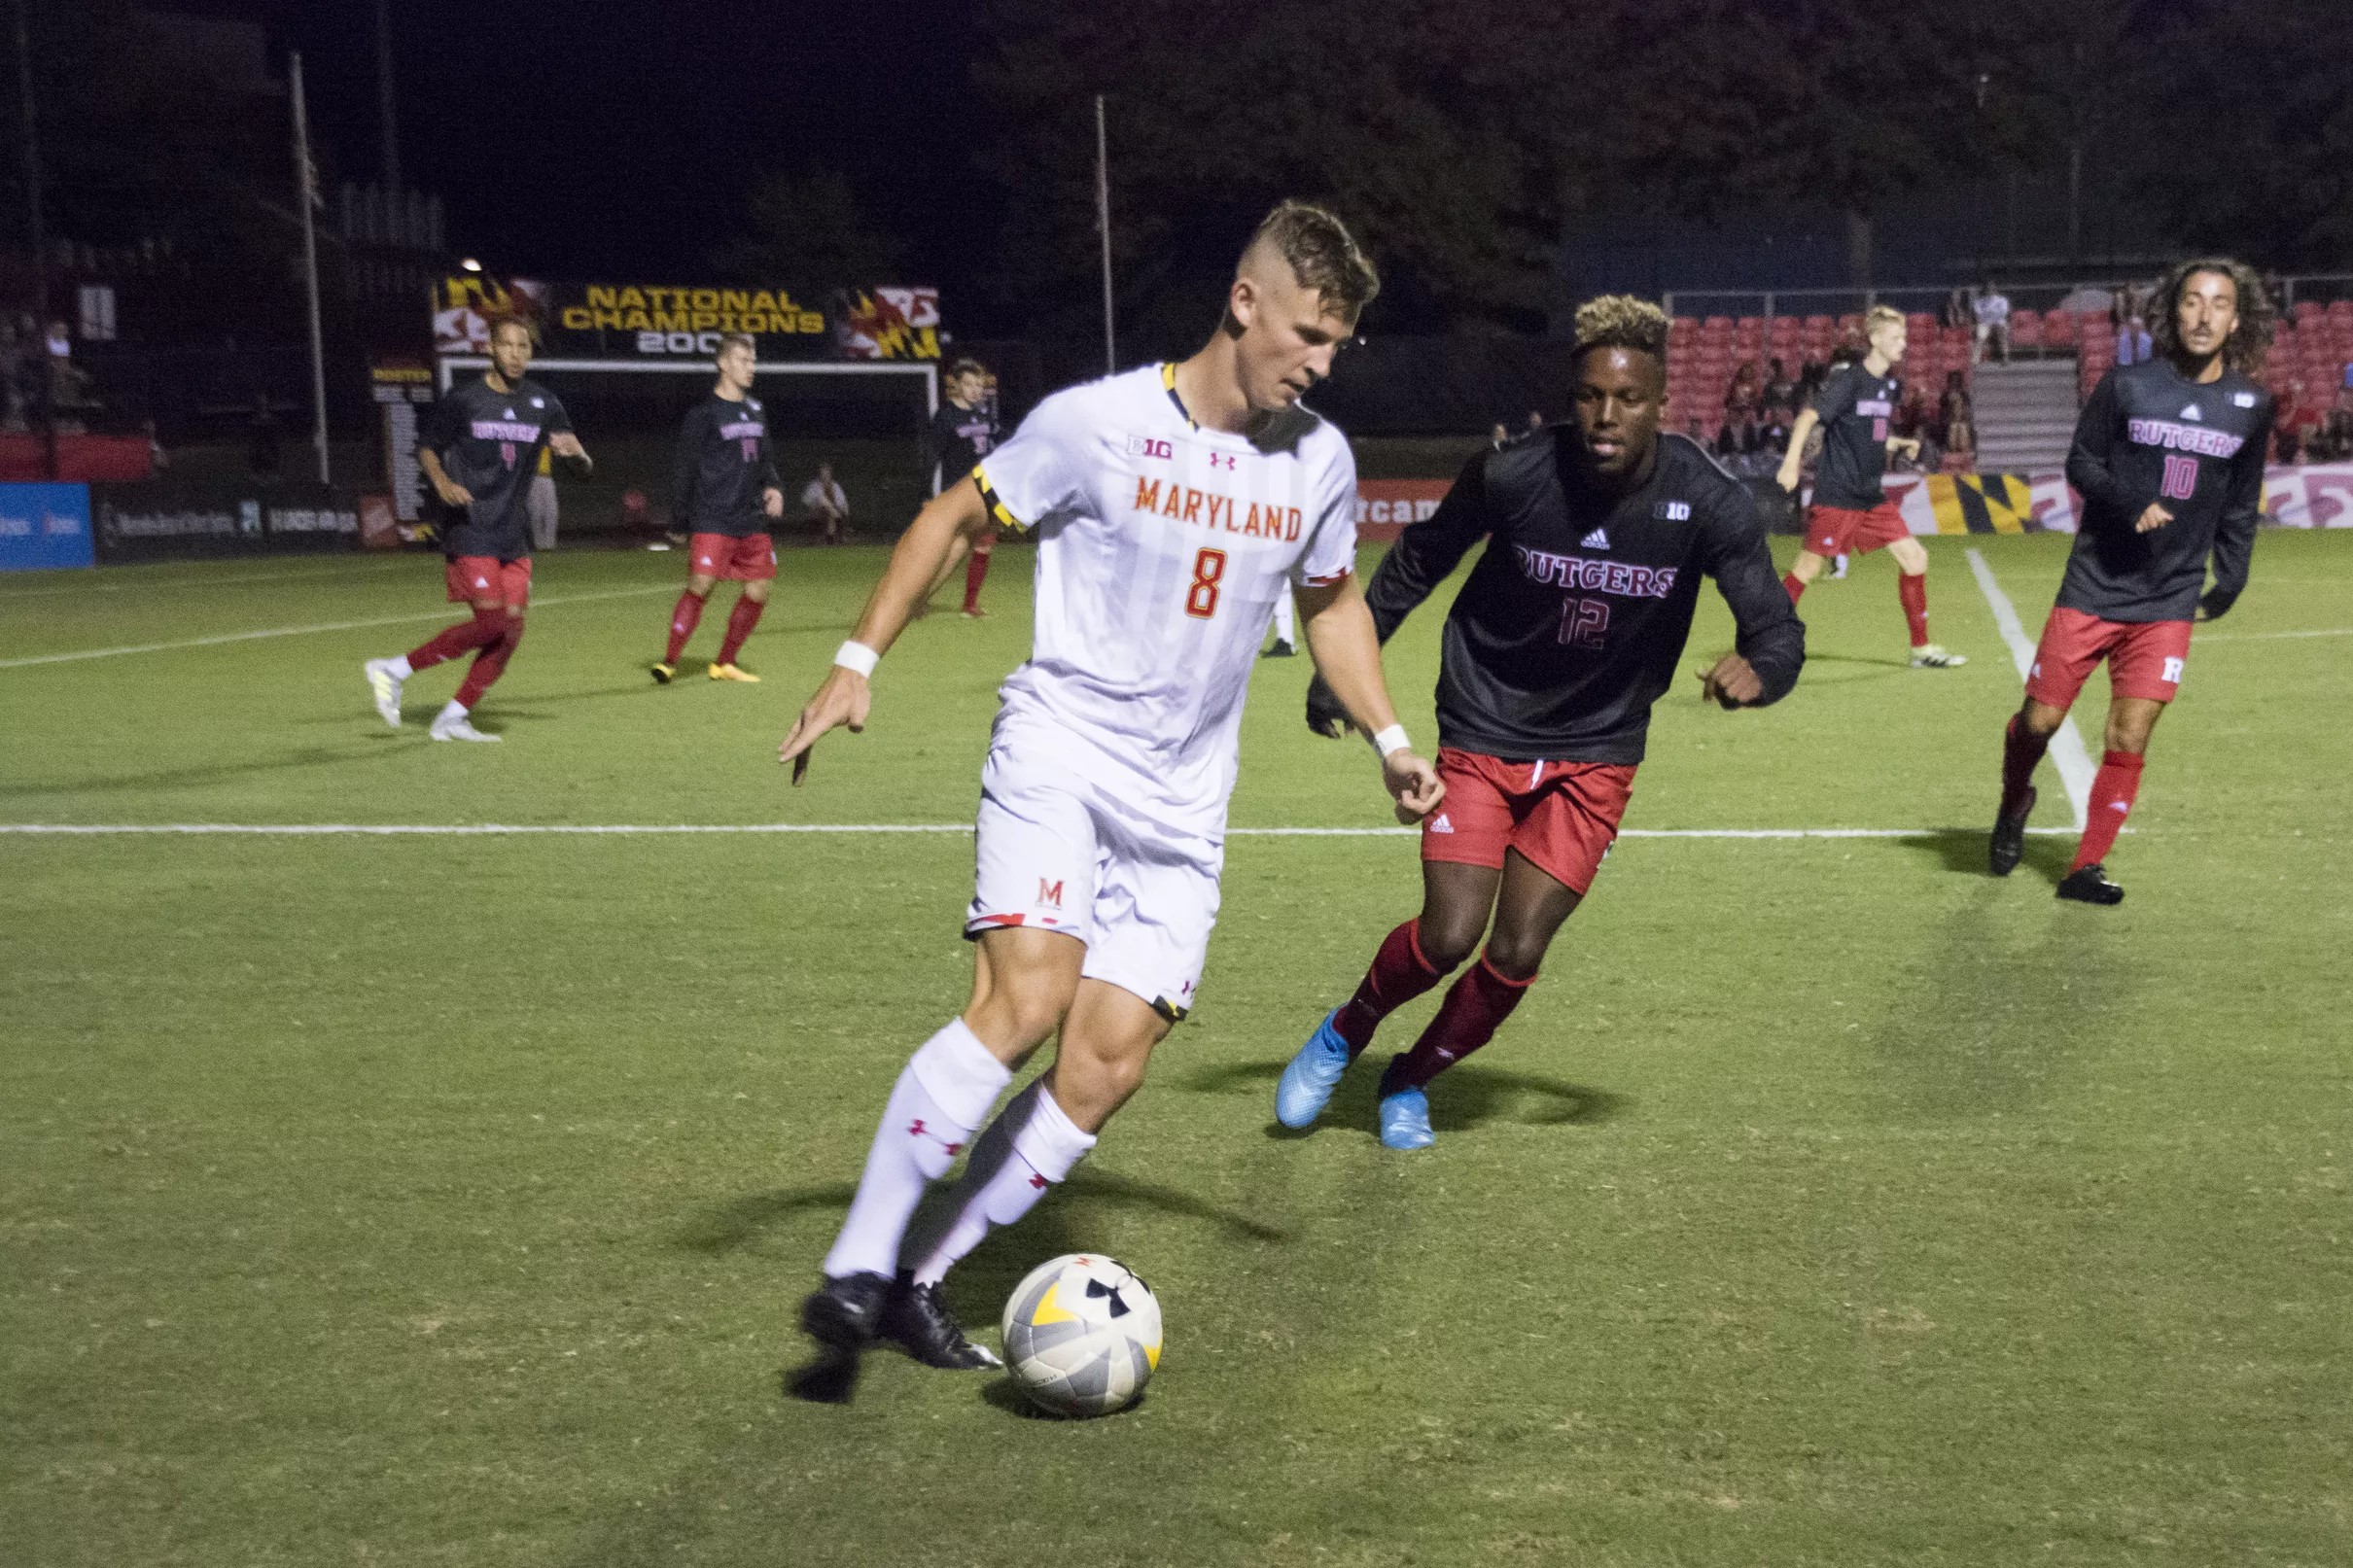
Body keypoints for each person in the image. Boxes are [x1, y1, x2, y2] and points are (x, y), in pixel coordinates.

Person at [779, 201, 1441, 1373]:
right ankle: (858, 1259)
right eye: (1306, 334)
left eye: (1337, 343)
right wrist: (855, 658)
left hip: (1184, 804)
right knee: (1027, 998)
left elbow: (1329, 601)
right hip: (1064, 750)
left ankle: (918, 1285)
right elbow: (950, 516)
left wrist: (1389, 735)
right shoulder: (1096, 424)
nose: (1321, 363)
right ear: (1244, 303)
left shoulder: (1320, 461)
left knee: (1103, 1065)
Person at [1275, 296, 1805, 1149]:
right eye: (1591, 394)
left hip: (1597, 751)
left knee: (1516, 951)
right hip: (1485, 722)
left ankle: (1409, 1079)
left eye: (1628, 399)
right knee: (1449, 932)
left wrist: (1763, 670)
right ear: (1573, 394)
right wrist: (1342, 677)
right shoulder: (1514, 473)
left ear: (1661, 401)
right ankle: (1347, 1030)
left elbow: (1776, 630)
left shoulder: (1707, 501)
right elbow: (1418, 560)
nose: (1605, 415)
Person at [1989, 259, 2274, 904]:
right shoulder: (2127, 385)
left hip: (2169, 596)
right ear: (2174, 311)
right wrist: (2128, 501)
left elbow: (2239, 498)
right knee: (2039, 721)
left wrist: (2232, 572)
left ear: (2237, 318)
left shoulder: (2252, 406)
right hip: (2094, 583)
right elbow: (2081, 460)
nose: (2204, 314)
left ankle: (2083, 867)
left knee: (2131, 731)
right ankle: (2014, 799)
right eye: (2193, 301)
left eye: (2219, 304)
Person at [364, 316, 590, 742]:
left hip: (512, 534)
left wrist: (577, 457)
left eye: (524, 347)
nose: (516, 354)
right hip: (470, 526)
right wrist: (444, 484)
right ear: (491, 348)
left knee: (511, 631)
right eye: (508, 345)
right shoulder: (465, 399)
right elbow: (427, 448)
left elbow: (579, 461)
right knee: (490, 624)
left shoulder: (544, 403)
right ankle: (394, 670)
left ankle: (452, 716)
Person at [1775, 305, 1965, 667]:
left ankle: (1921, 651)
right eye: (1896, 337)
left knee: (1915, 558)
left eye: (1905, 337)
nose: (1904, 344)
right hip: (1838, 495)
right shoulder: (1850, 380)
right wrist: (1791, 463)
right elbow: (1808, 417)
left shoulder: (1885, 386)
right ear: (1875, 340)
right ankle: (1763, 639)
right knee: (1807, 570)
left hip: (1870, 498)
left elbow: (1871, 434)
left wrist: (1899, 443)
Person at [652, 333, 785, 684]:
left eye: (753, 361)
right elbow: (685, 468)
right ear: (723, 363)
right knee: (702, 583)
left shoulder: (756, 410)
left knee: (759, 590)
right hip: (713, 516)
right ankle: (669, 660)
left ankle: (724, 662)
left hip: (751, 518)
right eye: (743, 360)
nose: (751, 368)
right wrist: (679, 519)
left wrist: (773, 486)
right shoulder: (704, 415)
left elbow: (765, 458)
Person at [921, 358, 1004, 616]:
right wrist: (926, 493)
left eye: (979, 384)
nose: (975, 390)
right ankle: (919, 597)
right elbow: (932, 455)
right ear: (956, 386)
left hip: (987, 490)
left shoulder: (984, 414)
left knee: (984, 544)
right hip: (958, 491)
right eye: (968, 384)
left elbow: (997, 448)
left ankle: (970, 604)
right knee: (951, 548)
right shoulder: (946, 416)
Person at [801, 463, 850, 544]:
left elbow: (841, 501)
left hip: (832, 511)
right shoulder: (814, 485)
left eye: (827, 472)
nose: (825, 475)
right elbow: (807, 501)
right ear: (819, 474)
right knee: (822, 500)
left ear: (830, 474)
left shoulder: (835, 485)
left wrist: (839, 509)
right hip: (816, 510)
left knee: (832, 511)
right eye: (823, 472)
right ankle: (836, 522)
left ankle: (830, 539)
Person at [526, 445, 560, 551]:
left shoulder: (547, 441)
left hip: (547, 477)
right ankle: (539, 544)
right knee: (536, 511)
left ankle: (549, 544)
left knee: (552, 511)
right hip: (533, 477)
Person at [1974, 283, 2011, 365]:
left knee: (2002, 335)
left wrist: (1988, 313)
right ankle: (1975, 360)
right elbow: (1979, 314)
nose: (1990, 291)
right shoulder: (1980, 301)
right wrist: (1992, 313)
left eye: (1991, 289)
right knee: (1980, 336)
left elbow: (2003, 313)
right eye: (1988, 289)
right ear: (1985, 291)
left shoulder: (2002, 300)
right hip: (1985, 323)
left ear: (1995, 290)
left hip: (1999, 323)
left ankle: (2005, 357)